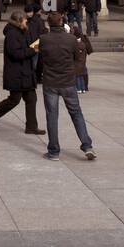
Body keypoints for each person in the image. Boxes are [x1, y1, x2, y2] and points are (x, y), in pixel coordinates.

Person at [37, 13, 95, 161]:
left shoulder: (43, 39)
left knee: (52, 116)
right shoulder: (71, 39)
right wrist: (71, 72)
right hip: (68, 81)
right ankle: (87, 145)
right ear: (62, 22)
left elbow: (42, 58)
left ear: (49, 24)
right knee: (76, 113)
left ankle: (54, 151)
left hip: (51, 82)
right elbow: (78, 58)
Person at [0, 11, 45, 136]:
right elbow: (16, 53)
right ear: (18, 21)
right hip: (16, 73)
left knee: (31, 98)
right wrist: (33, 50)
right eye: (24, 20)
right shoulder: (12, 34)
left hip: (26, 72)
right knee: (14, 100)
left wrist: (36, 44)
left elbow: (26, 46)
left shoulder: (22, 31)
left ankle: (32, 127)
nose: (26, 21)